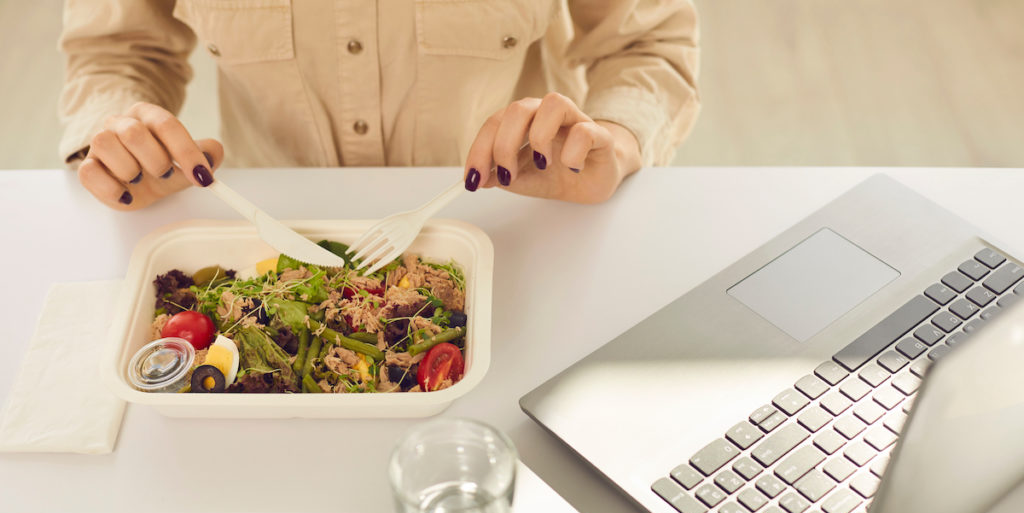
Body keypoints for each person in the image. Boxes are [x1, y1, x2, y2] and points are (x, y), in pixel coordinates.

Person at [58, 0, 699, 211]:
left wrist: (615, 137)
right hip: (267, 231)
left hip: (516, 223)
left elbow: (647, 39)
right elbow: (116, 52)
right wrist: (117, 144)